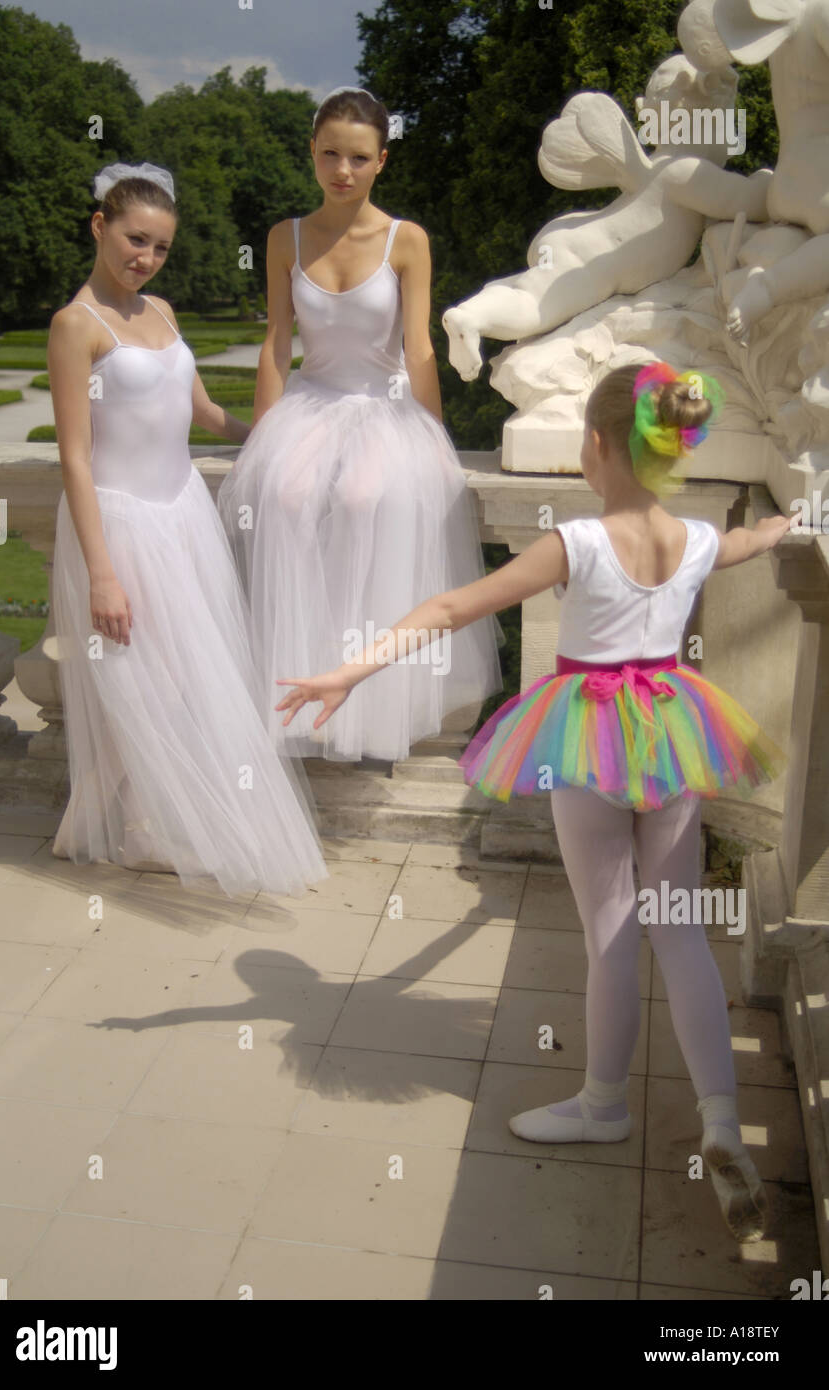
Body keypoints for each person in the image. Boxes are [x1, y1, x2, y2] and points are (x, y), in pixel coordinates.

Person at [273, 360, 791, 1243]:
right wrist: (787, 523)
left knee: (610, 931)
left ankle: (600, 1104)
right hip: (672, 729)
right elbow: (747, 544)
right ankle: (715, 1121)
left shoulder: (578, 544)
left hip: (588, 735)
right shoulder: (698, 537)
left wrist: (349, 670)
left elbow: (450, 604)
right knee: (678, 928)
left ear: (595, 445)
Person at [47, 162, 328, 898]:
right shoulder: (76, 325)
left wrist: (275, 437)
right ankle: (135, 830)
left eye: (161, 247)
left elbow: (203, 414)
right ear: (99, 227)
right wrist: (101, 570)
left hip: (182, 520)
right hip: (120, 527)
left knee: (173, 679)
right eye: (134, 240)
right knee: (151, 680)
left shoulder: (162, 312)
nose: (146, 257)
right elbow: (74, 459)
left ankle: (87, 822)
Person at [217, 87, 502, 761]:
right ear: (312, 154)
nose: (342, 170)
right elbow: (275, 345)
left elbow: (419, 348)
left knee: (361, 499)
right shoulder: (283, 238)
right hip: (309, 404)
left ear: (381, 160)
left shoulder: (407, 240)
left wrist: (435, 441)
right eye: (329, 154)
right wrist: (262, 443)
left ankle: (364, 701)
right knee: (283, 498)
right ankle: (290, 694)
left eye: (358, 157)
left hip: (383, 404)